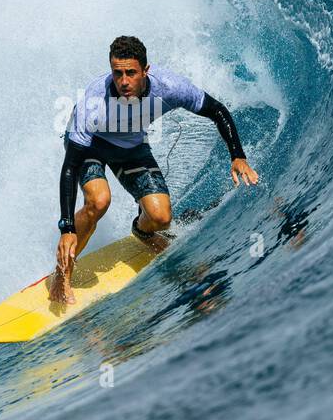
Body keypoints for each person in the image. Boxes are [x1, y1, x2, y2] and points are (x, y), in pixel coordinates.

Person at [51, 35, 258, 304]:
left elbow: (216, 110)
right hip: (91, 146)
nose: (124, 81)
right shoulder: (94, 102)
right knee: (98, 200)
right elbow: (70, 167)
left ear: (146, 71)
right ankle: (62, 273)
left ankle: (142, 231)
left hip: (129, 145)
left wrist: (237, 156)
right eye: (117, 73)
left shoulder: (169, 87)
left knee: (161, 218)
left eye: (131, 73)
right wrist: (66, 227)